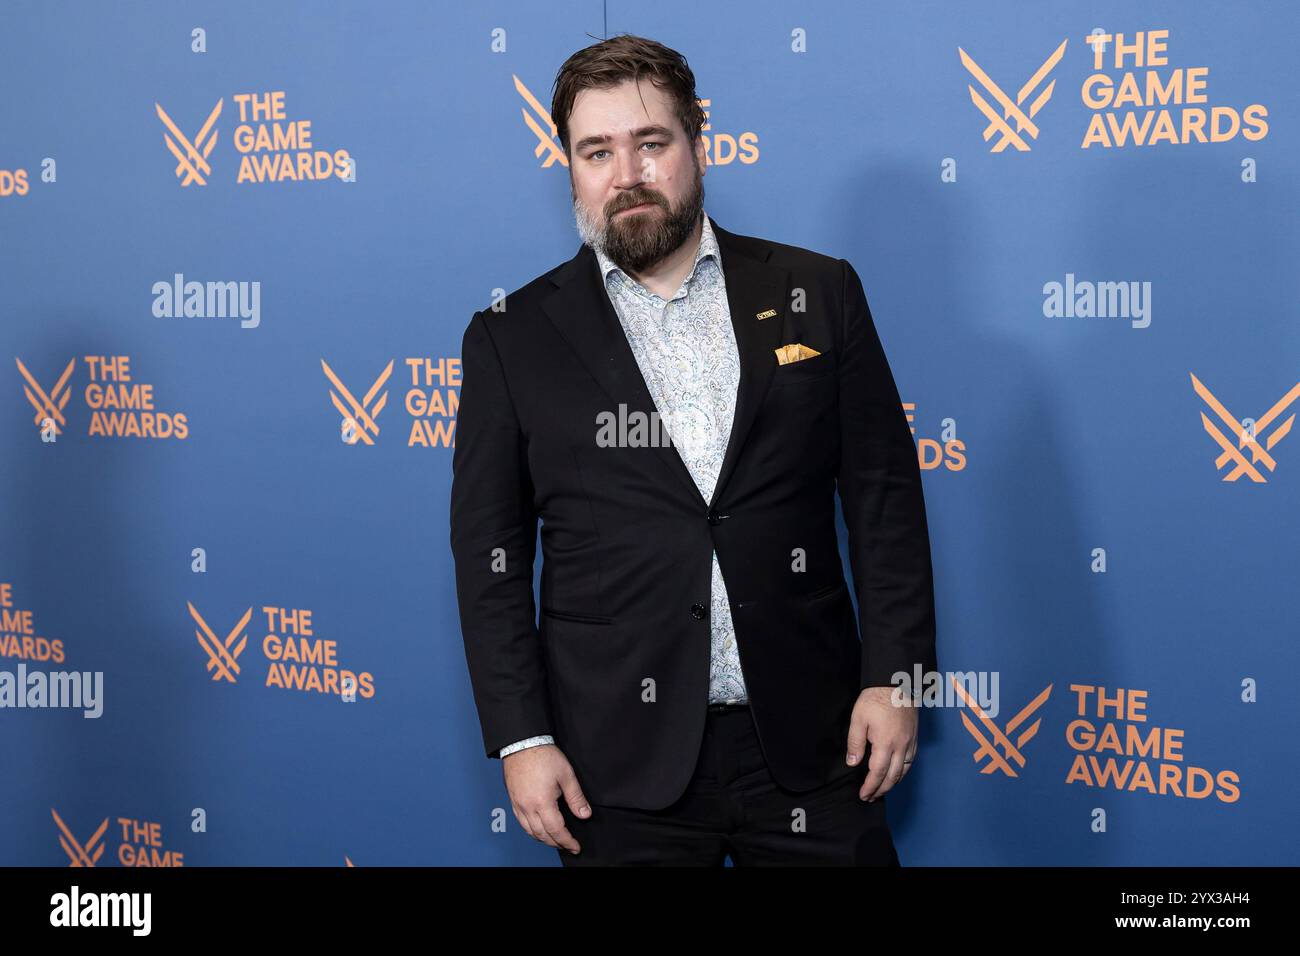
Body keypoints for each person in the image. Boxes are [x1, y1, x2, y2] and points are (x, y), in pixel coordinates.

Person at [450, 34, 937, 866]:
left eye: (651, 143)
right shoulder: (511, 338)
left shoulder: (817, 292)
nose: (626, 174)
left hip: (817, 746)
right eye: (596, 151)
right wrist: (521, 737)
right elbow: (490, 553)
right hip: (613, 766)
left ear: (698, 146)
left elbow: (885, 503)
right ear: (569, 167)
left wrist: (897, 679)